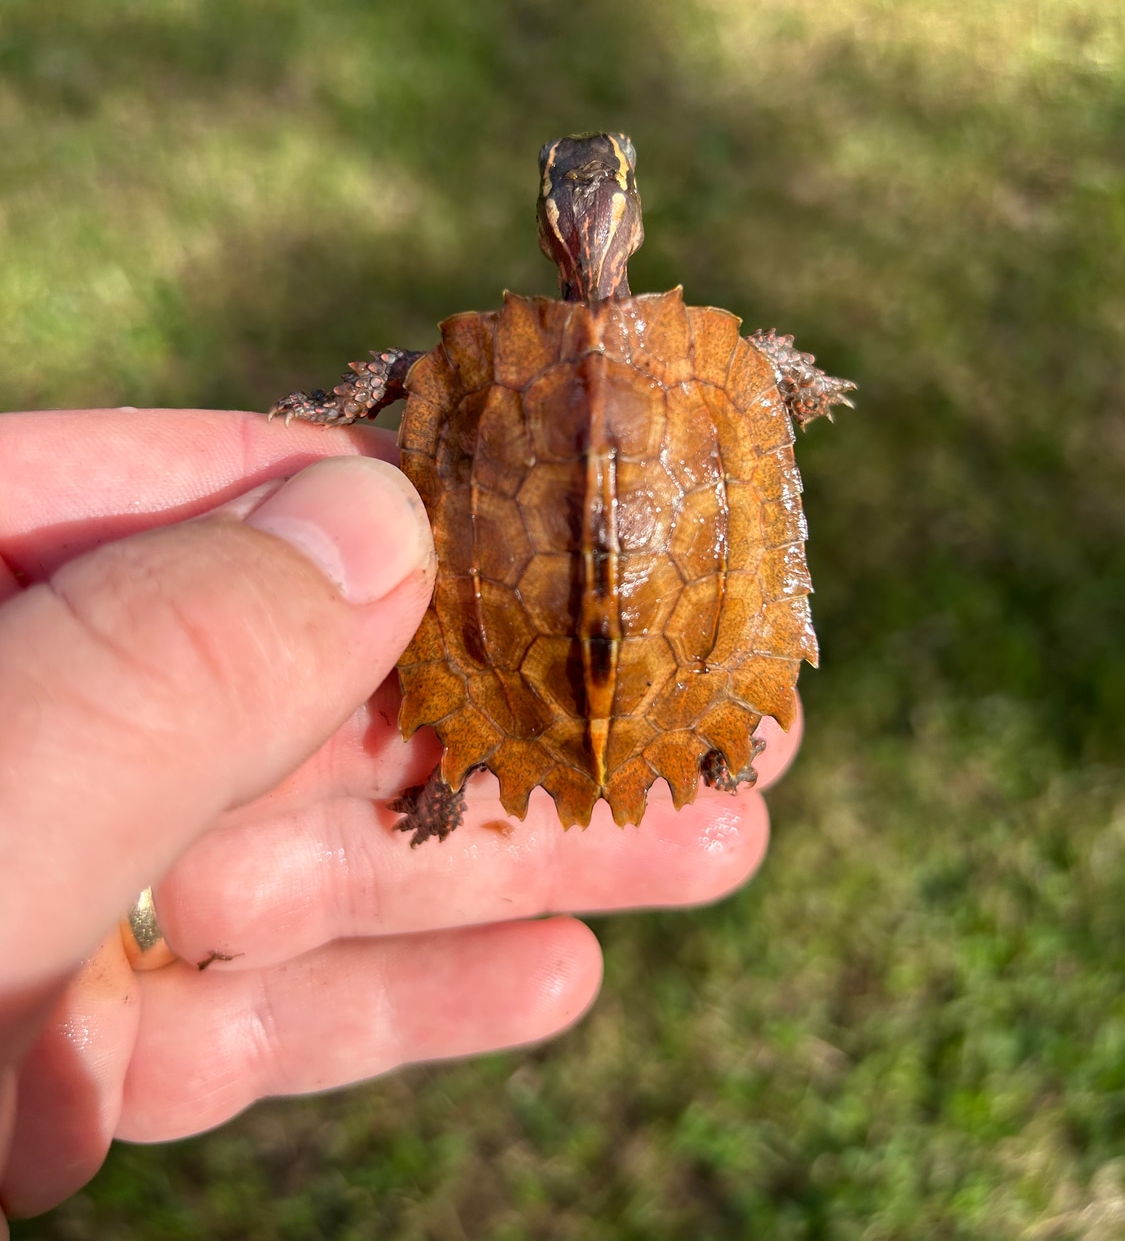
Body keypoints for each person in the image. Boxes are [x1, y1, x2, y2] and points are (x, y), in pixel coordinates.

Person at [0, 408, 802, 1226]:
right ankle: (680, 745)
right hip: (577, 670)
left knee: (469, 742)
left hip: (558, 674)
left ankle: (565, 757)